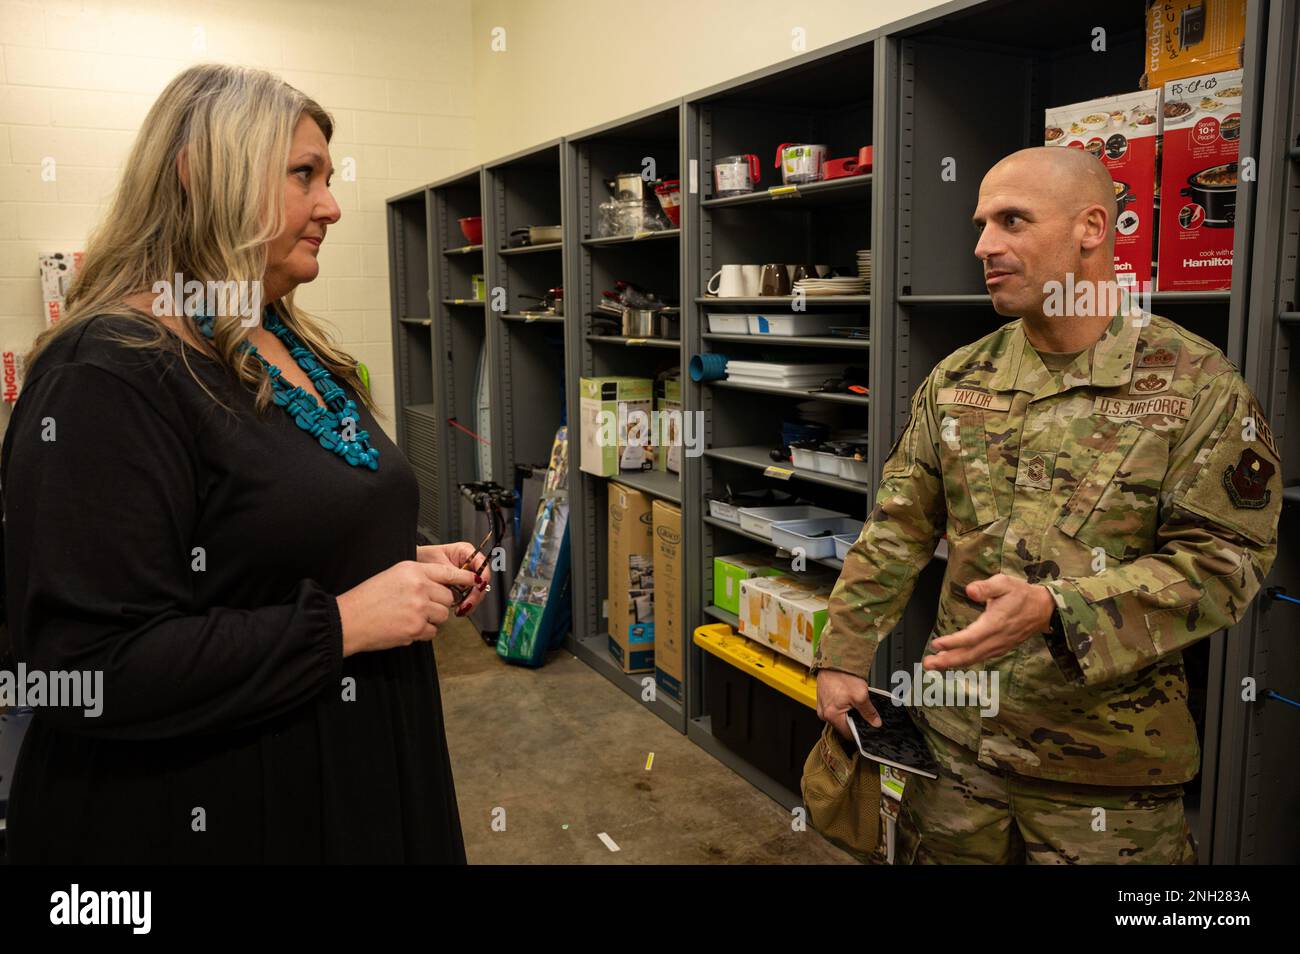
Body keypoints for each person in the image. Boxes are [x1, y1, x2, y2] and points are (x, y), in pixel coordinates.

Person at [0, 63, 491, 863]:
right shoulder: (109, 372)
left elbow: (261, 538)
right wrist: (345, 622)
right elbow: (85, 669)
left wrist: (393, 562)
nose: (331, 205)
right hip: (220, 806)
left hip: (355, 766)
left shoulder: (285, 339)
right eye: (304, 175)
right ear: (203, 173)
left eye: (328, 178)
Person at [812, 147, 1281, 864]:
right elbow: (897, 530)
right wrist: (841, 655)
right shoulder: (961, 379)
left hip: (1106, 778)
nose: (983, 245)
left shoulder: (1197, 387)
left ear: (1092, 227)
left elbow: (1227, 563)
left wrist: (1062, 611)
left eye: (1012, 221)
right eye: (981, 224)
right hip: (956, 759)